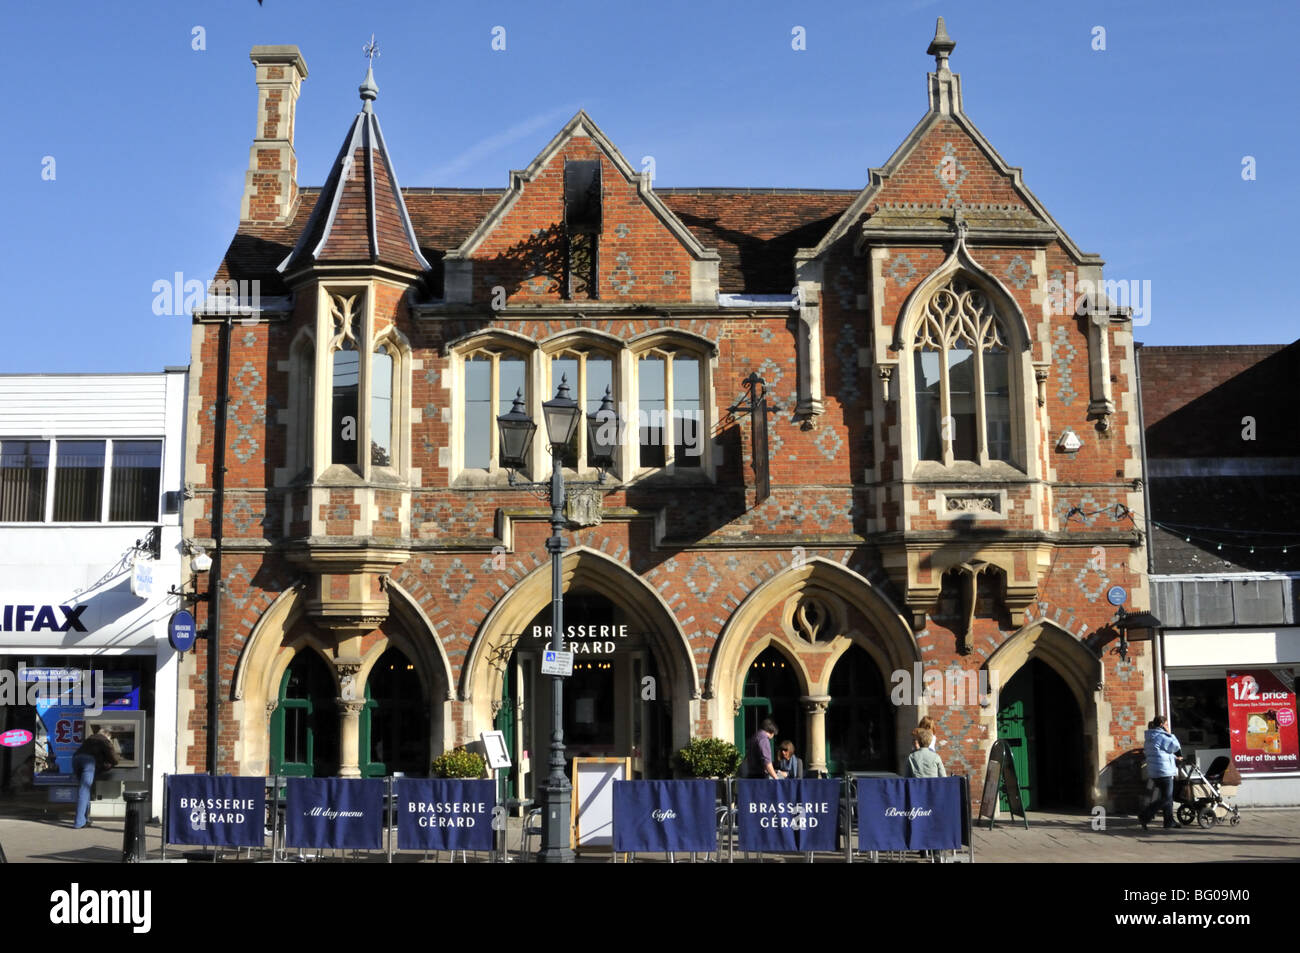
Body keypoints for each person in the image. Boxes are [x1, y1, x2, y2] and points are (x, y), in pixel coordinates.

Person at [1138, 715, 1182, 831]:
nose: (1168, 727)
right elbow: (1175, 746)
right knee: (1166, 798)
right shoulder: (1162, 736)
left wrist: (1173, 757)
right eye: (1166, 724)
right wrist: (1170, 734)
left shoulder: (1150, 736)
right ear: (1162, 725)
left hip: (1155, 771)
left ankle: (1169, 821)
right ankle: (1145, 815)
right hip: (1164, 771)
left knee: (1167, 797)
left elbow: (1160, 752)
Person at [72, 727, 119, 829]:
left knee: (85, 790)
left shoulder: (90, 738)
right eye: (109, 738)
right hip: (88, 762)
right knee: (84, 790)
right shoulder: (104, 740)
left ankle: (85, 819)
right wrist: (116, 761)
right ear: (107, 735)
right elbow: (112, 755)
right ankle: (79, 822)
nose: (110, 740)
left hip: (76, 759)